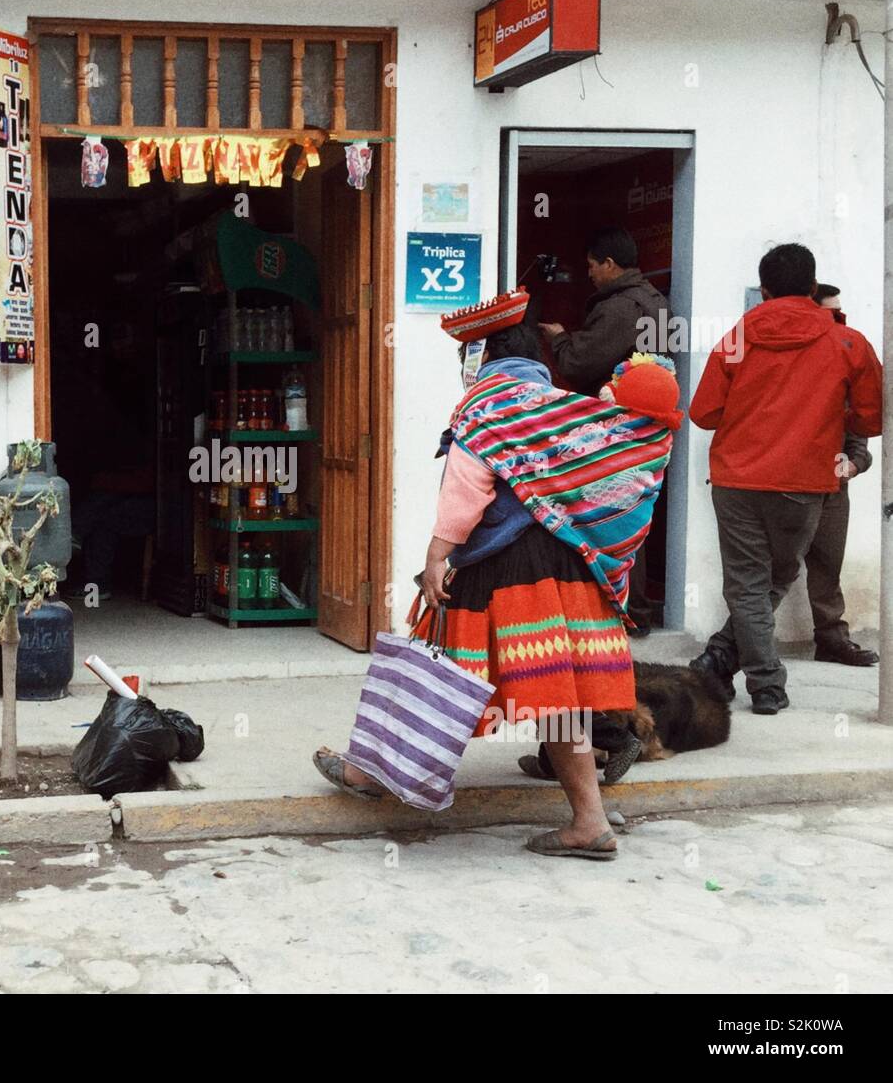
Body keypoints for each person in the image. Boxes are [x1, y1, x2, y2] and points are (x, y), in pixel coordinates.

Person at [313, 313, 681, 860]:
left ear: (479, 358)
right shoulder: (561, 406)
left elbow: (467, 488)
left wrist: (436, 555)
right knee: (557, 698)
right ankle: (589, 819)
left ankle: (372, 774)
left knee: (440, 672)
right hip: (571, 572)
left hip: (503, 571)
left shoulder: (487, 407)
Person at [688, 245, 883, 715]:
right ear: (813, 289)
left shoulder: (736, 338)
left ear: (766, 290)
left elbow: (704, 413)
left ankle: (733, 664)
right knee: (773, 577)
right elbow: (872, 419)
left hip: (737, 480)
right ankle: (763, 681)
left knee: (750, 583)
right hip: (805, 483)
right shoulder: (847, 343)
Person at [539, 226, 670, 635]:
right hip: (646, 426)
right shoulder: (654, 300)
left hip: (616, 428)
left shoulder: (620, 308)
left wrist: (560, 340)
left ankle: (626, 610)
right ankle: (637, 608)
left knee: (608, 513)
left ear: (611, 264)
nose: (591, 274)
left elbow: (579, 363)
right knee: (633, 512)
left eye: (594, 266)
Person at [803, 284, 878, 667]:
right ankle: (740, 647)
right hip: (790, 481)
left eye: (841, 315)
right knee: (769, 573)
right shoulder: (793, 364)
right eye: (830, 315)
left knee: (828, 564)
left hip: (832, 483)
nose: (838, 323)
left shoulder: (847, 359)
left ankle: (831, 640)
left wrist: (854, 463)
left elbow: (860, 438)